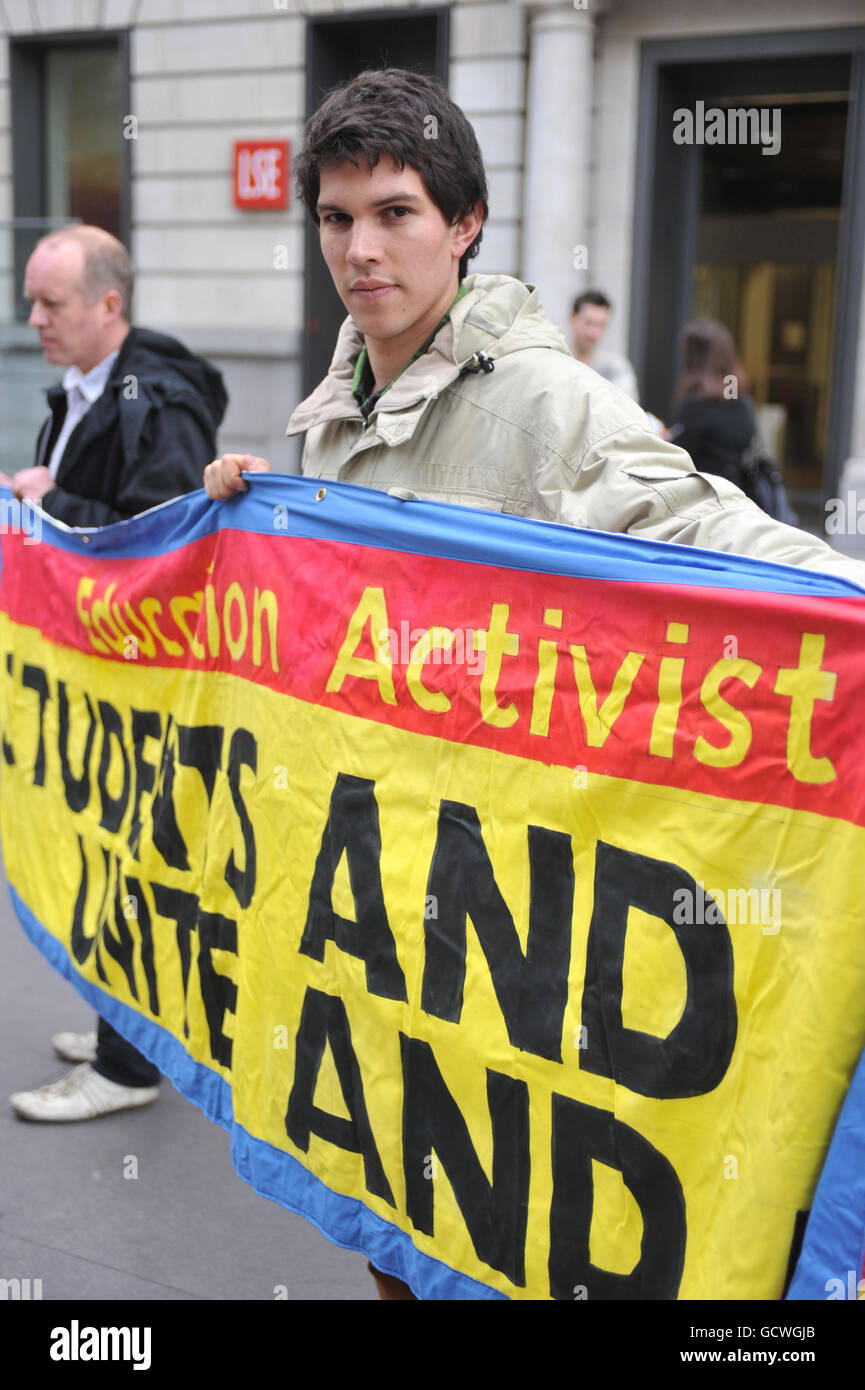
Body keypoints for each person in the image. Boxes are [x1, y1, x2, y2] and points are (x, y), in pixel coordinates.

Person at [203, 67, 865, 1298]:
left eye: (395, 212)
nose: (361, 248)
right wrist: (252, 524)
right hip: (385, 910)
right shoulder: (330, 412)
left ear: (463, 225)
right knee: (394, 1223)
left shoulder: (549, 403)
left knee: (500, 1235)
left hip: (501, 906)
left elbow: (702, 532)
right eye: (337, 219)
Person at [7, 224, 227, 1123]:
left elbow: (161, 536)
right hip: (86, 665)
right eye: (31, 300)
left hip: (139, 681)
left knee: (128, 856)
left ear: (110, 305)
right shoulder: (84, 389)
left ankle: (126, 1067)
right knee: (98, 848)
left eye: (51, 303)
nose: (33, 319)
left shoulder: (158, 402)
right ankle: (119, 1018)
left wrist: (46, 502)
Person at [665, 318, 793, 521]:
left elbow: (683, 454)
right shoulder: (739, 399)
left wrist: (667, 438)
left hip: (702, 502)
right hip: (738, 498)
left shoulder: (696, 404)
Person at [570, 289, 640, 402]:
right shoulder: (556, 361)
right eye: (589, 323)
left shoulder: (616, 368)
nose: (593, 333)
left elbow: (625, 408)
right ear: (572, 319)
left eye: (601, 325)